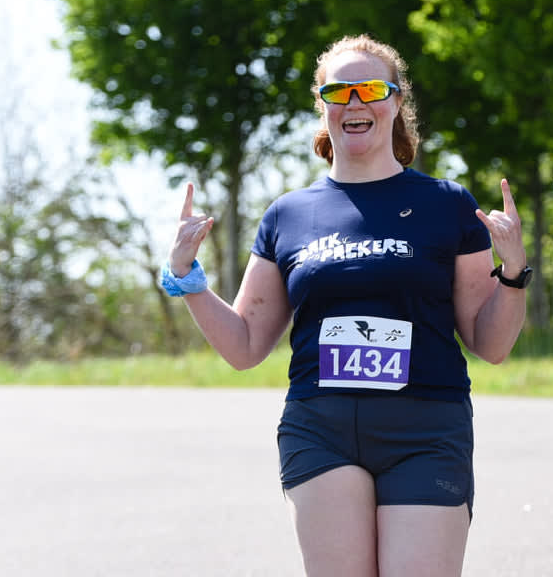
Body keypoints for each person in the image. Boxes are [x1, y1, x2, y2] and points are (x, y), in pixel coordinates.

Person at [159, 34, 529, 576]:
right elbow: (243, 345)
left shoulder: (445, 204)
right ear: (323, 105)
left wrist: (514, 271)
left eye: (371, 88)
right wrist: (187, 278)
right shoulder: (287, 216)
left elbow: (490, 344)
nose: (355, 103)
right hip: (321, 430)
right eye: (339, 91)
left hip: (426, 430)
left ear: (396, 102)